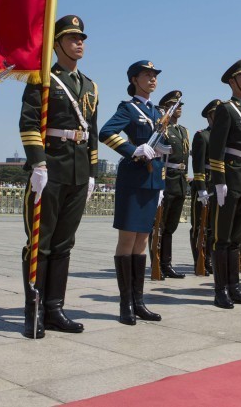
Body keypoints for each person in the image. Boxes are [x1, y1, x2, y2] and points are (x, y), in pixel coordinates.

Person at [19, 14, 98, 338]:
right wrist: (38, 163)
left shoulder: (91, 85)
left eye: (81, 38)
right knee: (41, 244)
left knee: (64, 244)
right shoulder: (42, 78)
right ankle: (34, 311)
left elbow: (91, 131)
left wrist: (93, 172)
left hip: (78, 171)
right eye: (71, 38)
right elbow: (28, 123)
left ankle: (55, 308)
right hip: (50, 167)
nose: (78, 43)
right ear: (56, 43)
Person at [99, 61, 166, 324]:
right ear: (134, 79)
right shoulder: (128, 108)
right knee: (127, 241)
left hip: (152, 181)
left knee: (142, 243)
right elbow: (106, 132)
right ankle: (125, 304)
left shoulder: (158, 111)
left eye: (154, 76)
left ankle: (139, 302)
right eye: (147, 75)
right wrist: (132, 149)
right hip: (133, 179)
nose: (152, 79)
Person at [208, 59, 241, 308]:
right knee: (223, 237)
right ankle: (221, 290)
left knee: (237, 238)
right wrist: (219, 181)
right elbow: (216, 148)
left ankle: (235, 287)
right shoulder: (226, 109)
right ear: (232, 81)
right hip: (230, 178)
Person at [157, 90, 189, 279]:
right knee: (159, 225)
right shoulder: (162, 128)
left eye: (180, 106)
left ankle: (166, 263)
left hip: (180, 180)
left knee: (170, 226)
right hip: (166, 179)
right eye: (175, 106)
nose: (179, 109)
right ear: (166, 108)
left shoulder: (183, 130)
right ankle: (157, 263)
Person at [189, 100, 221, 274]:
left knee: (214, 226)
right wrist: (201, 187)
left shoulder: (224, 137)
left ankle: (211, 259)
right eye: (216, 114)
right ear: (209, 116)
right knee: (201, 225)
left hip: (219, 184)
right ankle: (200, 260)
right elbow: (198, 164)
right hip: (206, 184)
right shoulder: (202, 136)